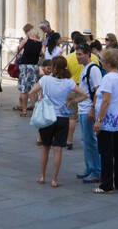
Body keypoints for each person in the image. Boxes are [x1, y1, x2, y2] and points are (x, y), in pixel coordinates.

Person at [28, 56, 85, 188]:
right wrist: (71, 102)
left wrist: (37, 103)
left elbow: (31, 92)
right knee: (58, 149)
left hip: (47, 117)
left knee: (45, 148)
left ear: (53, 67)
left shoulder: (45, 80)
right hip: (62, 117)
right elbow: (84, 95)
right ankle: (54, 179)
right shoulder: (68, 82)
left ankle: (42, 176)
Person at [92, 47, 118, 193]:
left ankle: (107, 184)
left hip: (108, 120)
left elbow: (106, 100)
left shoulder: (108, 78)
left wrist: (99, 120)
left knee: (106, 152)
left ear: (107, 62)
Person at [74, 44, 104, 183]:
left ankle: (97, 170)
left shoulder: (93, 69)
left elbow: (98, 90)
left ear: (88, 54)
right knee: (85, 141)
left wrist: (93, 108)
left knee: (90, 141)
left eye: (80, 54)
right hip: (83, 108)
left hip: (88, 110)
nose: (78, 57)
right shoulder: (85, 68)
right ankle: (90, 168)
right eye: (77, 54)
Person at [15, 24, 43, 117]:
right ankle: (35, 110)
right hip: (34, 66)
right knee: (33, 89)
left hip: (25, 66)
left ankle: (24, 111)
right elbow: (42, 54)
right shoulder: (40, 43)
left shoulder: (26, 39)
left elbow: (18, 49)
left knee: (24, 89)